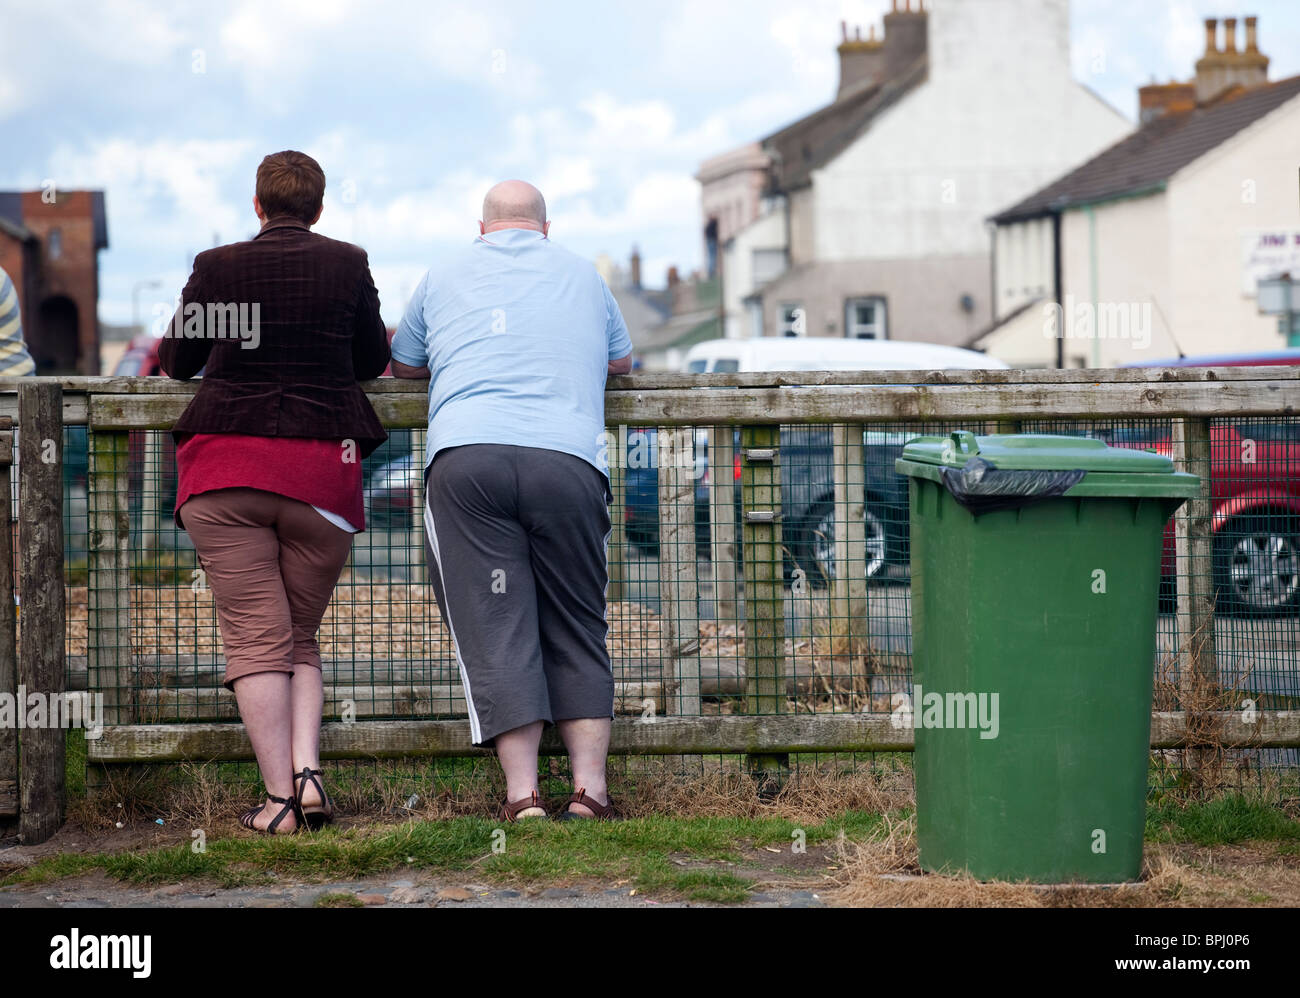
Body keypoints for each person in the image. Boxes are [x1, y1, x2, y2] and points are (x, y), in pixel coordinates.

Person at [160, 150, 390, 834]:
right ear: (318, 209)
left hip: (226, 468)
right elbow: (372, 360)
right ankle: (309, 776)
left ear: (257, 206)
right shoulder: (348, 262)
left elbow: (177, 363)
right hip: (323, 472)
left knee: (257, 643)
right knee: (298, 639)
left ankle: (279, 802)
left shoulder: (219, 266)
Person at [391, 180, 633, 821]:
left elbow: (403, 366)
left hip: (469, 462)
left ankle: (523, 798)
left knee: (496, 624)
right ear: (544, 229)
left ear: (482, 226)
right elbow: (622, 362)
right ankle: (589, 792)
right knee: (578, 622)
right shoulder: (584, 276)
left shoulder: (443, 275)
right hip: (567, 461)